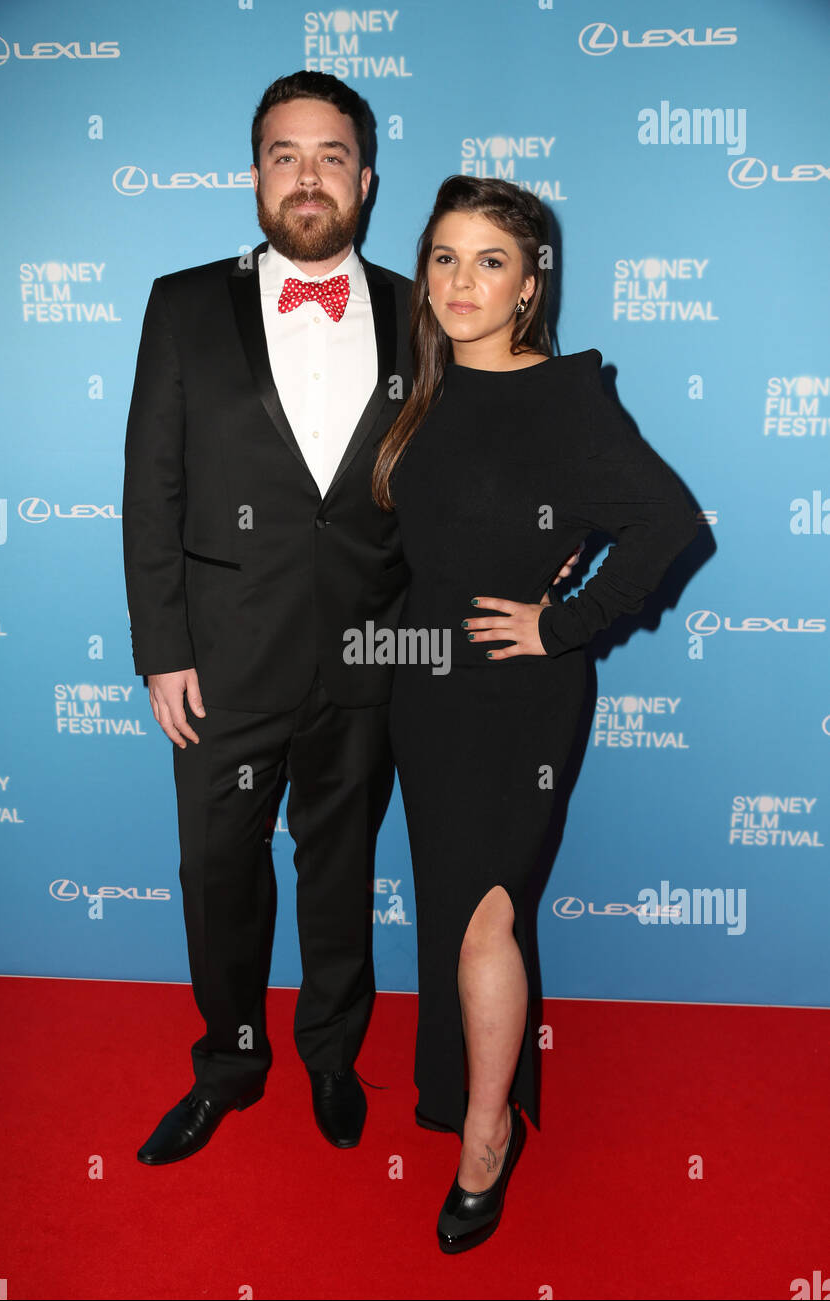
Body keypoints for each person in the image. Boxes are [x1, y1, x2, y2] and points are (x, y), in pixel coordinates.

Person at [122, 70, 584, 1166]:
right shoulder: (182, 304)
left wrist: (554, 533)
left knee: (338, 874)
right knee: (218, 875)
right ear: (254, 175)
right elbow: (153, 489)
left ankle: (331, 1056)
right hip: (223, 665)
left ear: (366, 180)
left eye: (332, 156)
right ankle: (230, 1063)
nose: (308, 177)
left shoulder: (421, 310)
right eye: (285, 155)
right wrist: (163, 651)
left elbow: (499, 439)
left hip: (376, 657)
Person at [374, 175, 699, 1253]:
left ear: (527, 285)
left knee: (485, 912)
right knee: (450, 902)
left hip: (517, 694)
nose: (461, 282)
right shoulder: (413, 387)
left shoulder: (566, 395)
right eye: (444, 258)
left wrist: (565, 623)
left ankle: (482, 1136)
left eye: (490, 262)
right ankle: (471, 1089)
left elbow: (667, 523)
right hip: (422, 680)